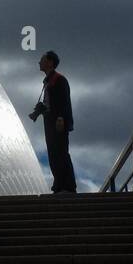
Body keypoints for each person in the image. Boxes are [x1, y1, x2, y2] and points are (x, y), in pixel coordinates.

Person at [34, 51, 76, 194]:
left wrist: (61, 118)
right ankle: (59, 185)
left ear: (50, 62)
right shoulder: (48, 81)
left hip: (58, 122)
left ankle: (68, 186)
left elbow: (64, 101)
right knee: (53, 154)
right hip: (50, 122)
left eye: (42, 59)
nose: (39, 62)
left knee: (61, 152)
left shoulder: (59, 79)